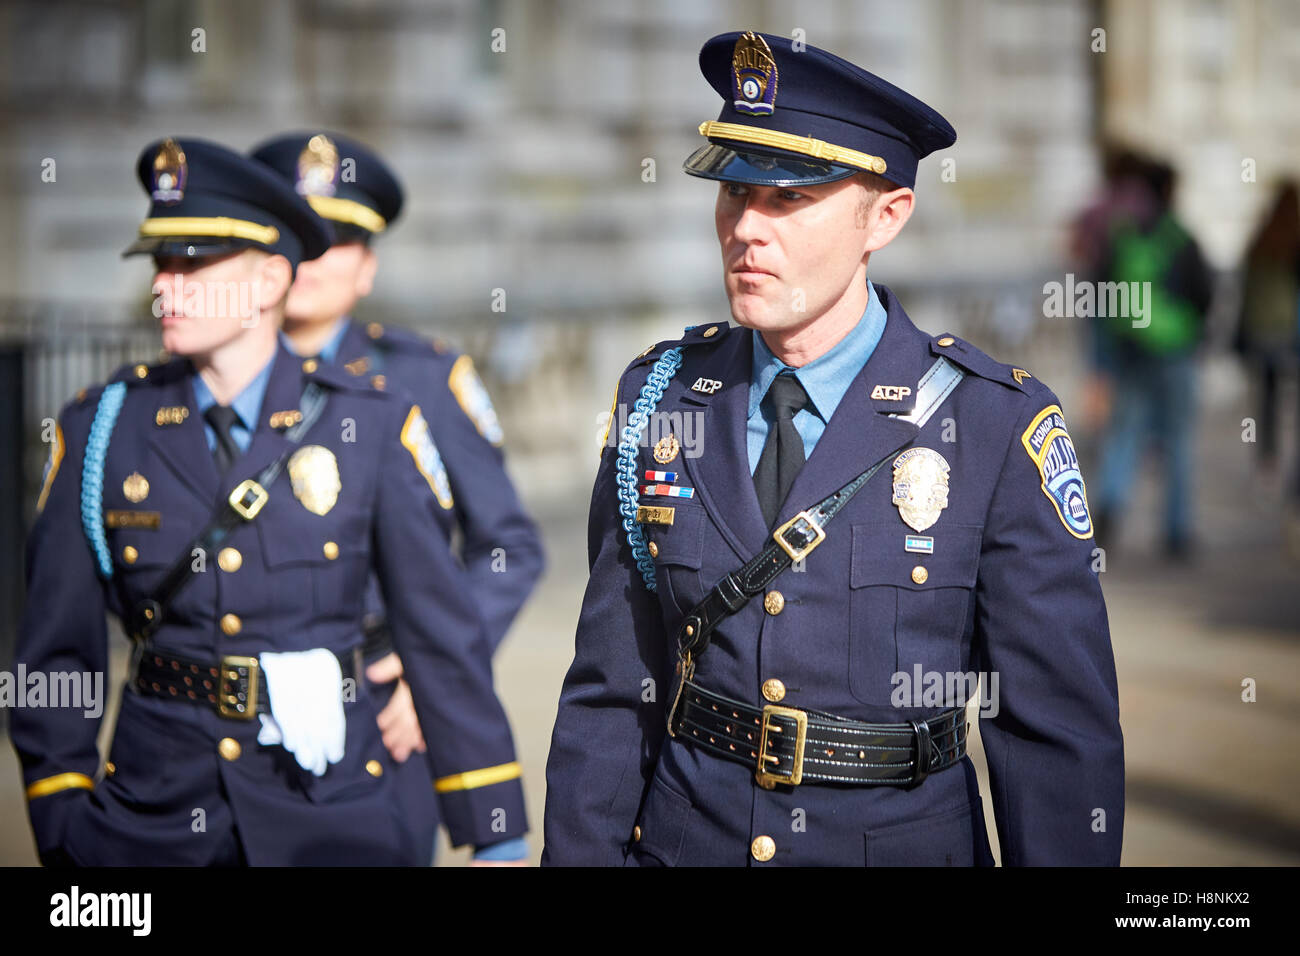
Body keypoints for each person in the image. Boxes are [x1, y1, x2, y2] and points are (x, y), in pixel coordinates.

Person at [543, 31, 1124, 866]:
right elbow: (610, 691)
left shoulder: (994, 425)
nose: (747, 229)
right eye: (734, 194)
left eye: (786, 199)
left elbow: (1057, 739)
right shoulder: (660, 400)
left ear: (884, 216)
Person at [11, 137, 527, 865]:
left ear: (270, 279)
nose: (168, 285)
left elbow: (444, 644)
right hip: (148, 822)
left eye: (195, 263)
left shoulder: (373, 423)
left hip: (327, 815)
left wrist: (495, 826)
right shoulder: (101, 429)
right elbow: (56, 655)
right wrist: (60, 815)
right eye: (161, 262)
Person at [250, 131, 543, 863]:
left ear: (368, 266)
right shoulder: (203, 386)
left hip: (380, 712)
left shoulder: (421, 380)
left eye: (334, 240)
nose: (310, 261)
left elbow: (507, 546)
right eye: (293, 236)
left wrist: (433, 670)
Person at [1090, 159, 1215, 559]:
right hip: (1175, 351)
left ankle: (1110, 504)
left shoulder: (1123, 236)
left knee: (1124, 435)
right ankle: (1176, 531)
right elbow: (1204, 295)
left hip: (1131, 350)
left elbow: (1100, 294)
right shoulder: (1181, 237)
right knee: (1178, 440)